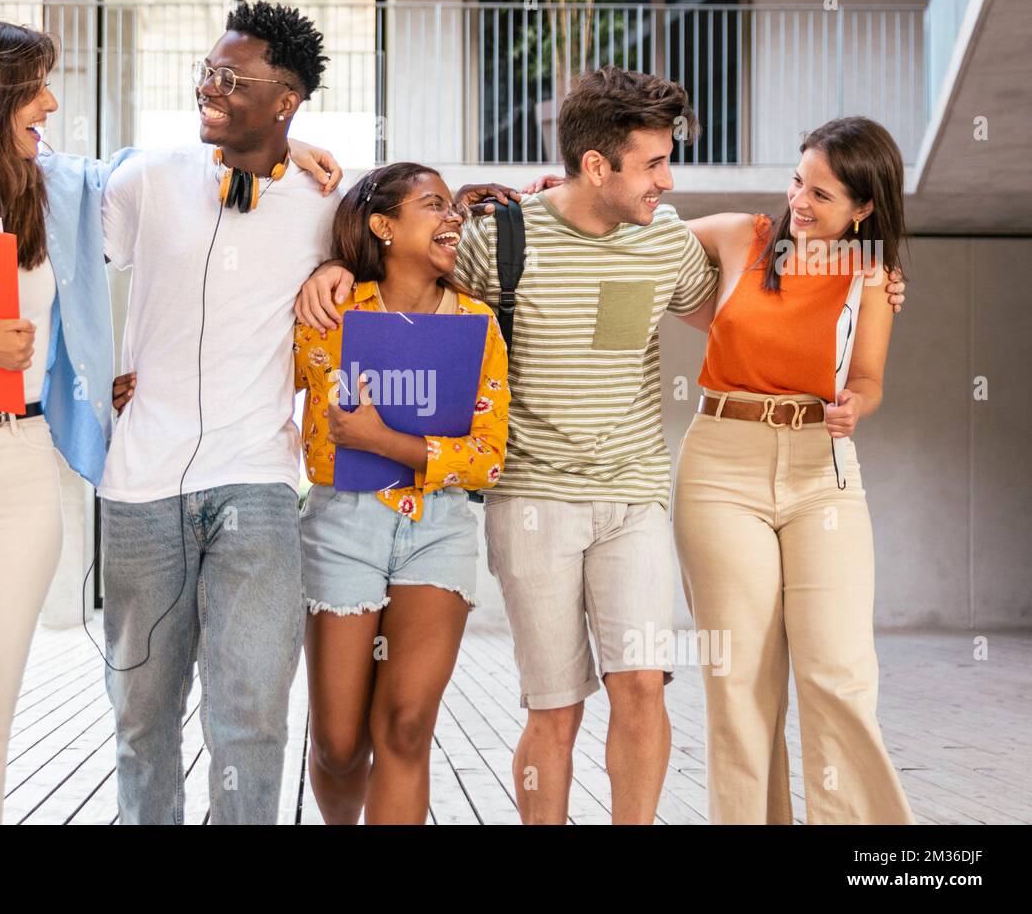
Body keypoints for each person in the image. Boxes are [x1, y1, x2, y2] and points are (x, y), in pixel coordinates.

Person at [297, 68, 908, 826]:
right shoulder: (498, 240)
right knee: (554, 711)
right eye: (653, 163)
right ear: (597, 166)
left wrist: (870, 271)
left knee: (643, 687)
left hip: (635, 498)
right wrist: (331, 266)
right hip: (531, 501)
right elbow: (405, 266)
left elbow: (760, 287)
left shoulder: (664, 244)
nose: (667, 179)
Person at [0, 19, 341, 825]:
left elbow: (378, 222)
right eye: (34, 87)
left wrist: (307, 174)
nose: (52, 102)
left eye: (234, 78)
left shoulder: (68, 189)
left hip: (80, 467)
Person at [97, 1, 340, 825]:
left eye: (233, 79)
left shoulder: (323, 207)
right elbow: (56, 247)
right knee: (141, 723)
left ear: (286, 102)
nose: (210, 85)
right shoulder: (148, 179)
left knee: (252, 722)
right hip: (138, 491)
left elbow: (422, 226)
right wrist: (104, 378)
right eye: (208, 70)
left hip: (261, 488)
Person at [670, 116, 915, 824]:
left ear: (864, 208)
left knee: (837, 673)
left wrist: (854, 406)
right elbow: (639, 242)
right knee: (738, 680)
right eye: (797, 181)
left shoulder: (871, 276)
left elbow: (868, 377)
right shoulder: (740, 236)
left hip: (821, 471)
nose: (800, 203)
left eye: (824, 194)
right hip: (722, 463)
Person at [294, 163, 509, 824]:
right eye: (432, 205)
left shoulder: (478, 325)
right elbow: (252, 381)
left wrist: (386, 441)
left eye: (453, 208)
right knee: (337, 743)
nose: (452, 218)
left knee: (407, 728)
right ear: (383, 226)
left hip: (438, 529)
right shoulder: (332, 311)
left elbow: (487, 461)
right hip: (341, 524)